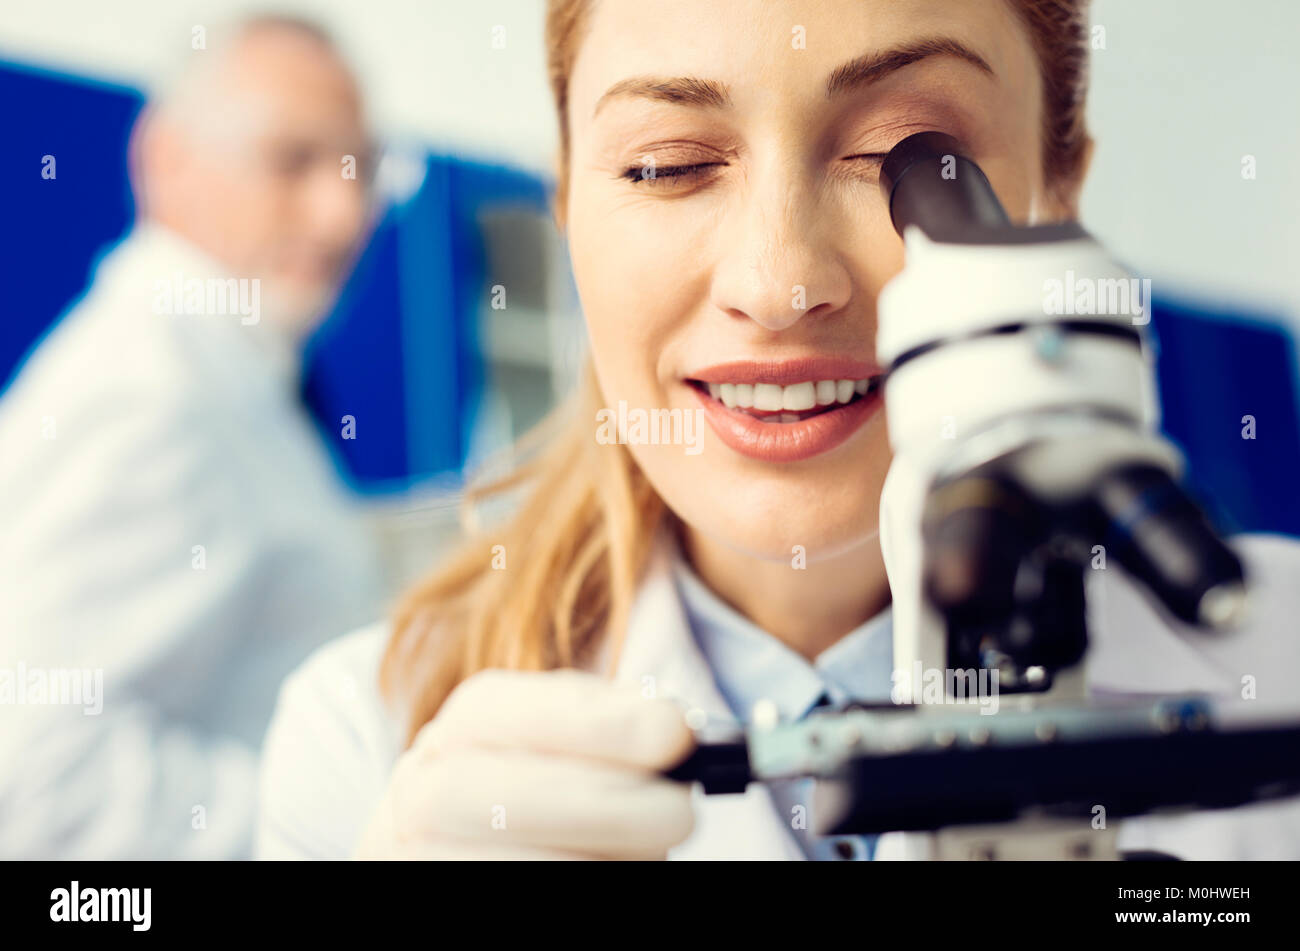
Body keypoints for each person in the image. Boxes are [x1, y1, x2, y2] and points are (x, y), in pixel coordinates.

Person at [257, 0, 1300, 860]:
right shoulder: (364, 740)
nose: (780, 281)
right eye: (666, 165)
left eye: (906, 155)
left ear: (1058, 189)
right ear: (569, 204)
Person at [0, 15, 382, 858]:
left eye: (364, 169)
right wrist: (363, 822)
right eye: (294, 161)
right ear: (165, 160)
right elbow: (32, 770)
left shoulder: (232, 370)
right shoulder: (147, 390)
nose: (342, 214)